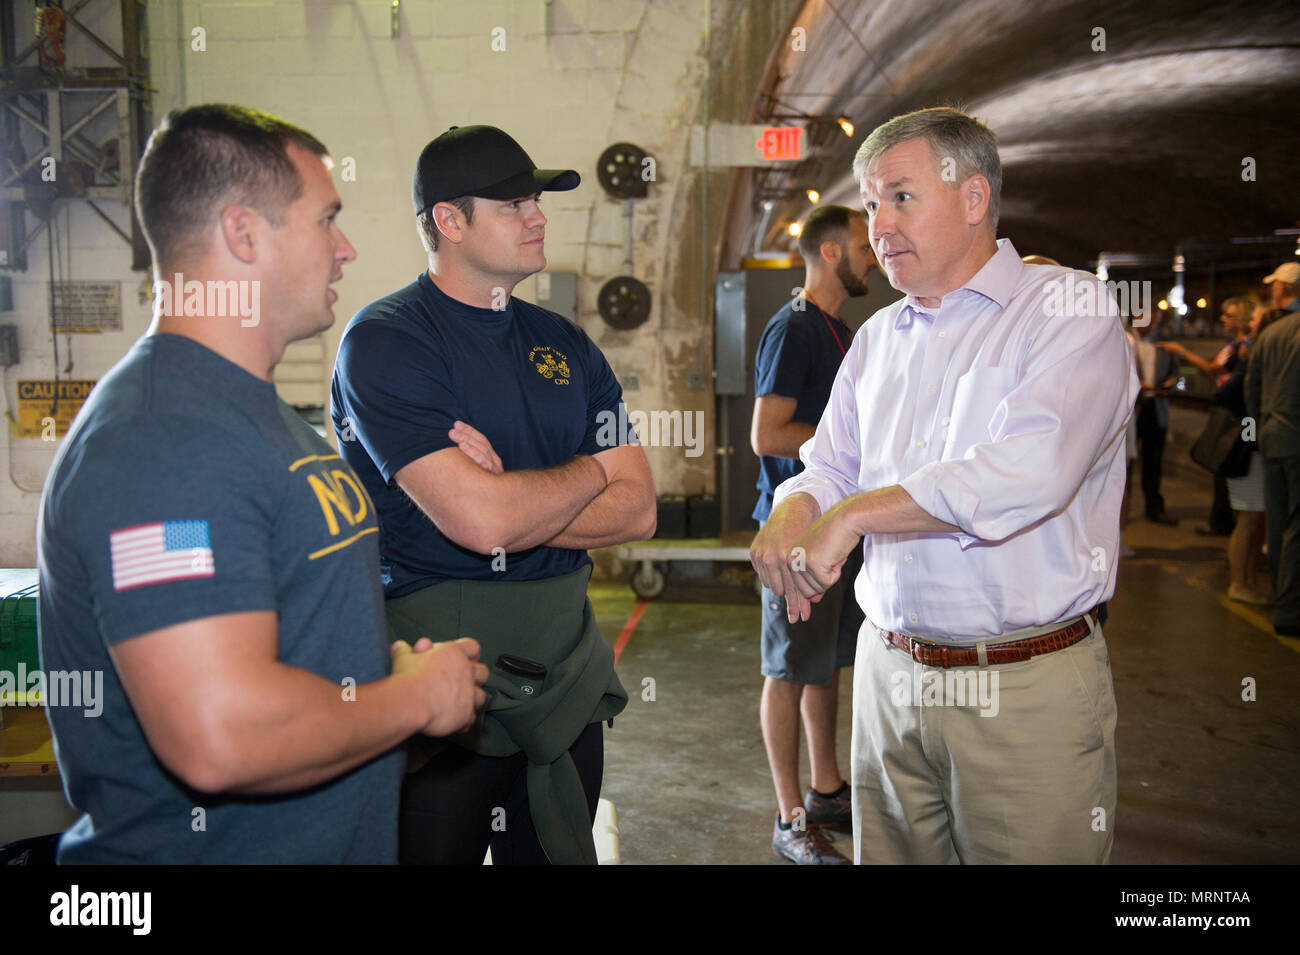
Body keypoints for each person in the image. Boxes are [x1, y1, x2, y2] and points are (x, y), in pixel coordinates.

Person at [36, 104, 488, 864]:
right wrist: (417, 696)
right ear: (244, 234)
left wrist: (383, 677)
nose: (345, 250)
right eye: (326, 220)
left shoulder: (258, 416)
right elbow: (220, 734)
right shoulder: (159, 440)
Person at [751, 106, 1138, 864]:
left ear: (973, 200)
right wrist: (794, 513)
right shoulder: (878, 340)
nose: (878, 224)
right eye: (869, 203)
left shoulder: (1065, 312)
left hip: (1019, 688)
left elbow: (1029, 472)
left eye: (900, 195)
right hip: (891, 680)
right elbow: (829, 465)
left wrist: (856, 515)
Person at [331, 124, 656, 865]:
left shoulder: (565, 343)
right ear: (449, 220)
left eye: (536, 199)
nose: (537, 215)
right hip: (442, 675)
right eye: (514, 203)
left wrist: (510, 491)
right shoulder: (387, 342)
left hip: (565, 673)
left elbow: (639, 507)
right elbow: (481, 522)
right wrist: (586, 472)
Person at [750, 204, 874, 864]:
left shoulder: (839, 329)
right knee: (789, 669)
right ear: (830, 253)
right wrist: (845, 455)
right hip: (793, 536)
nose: (874, 253)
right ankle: (789, 816)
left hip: (835, 531)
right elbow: (767, 434)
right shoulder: (794, 329)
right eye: (861, 242)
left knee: (824, 664)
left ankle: (826, 789)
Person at [1161, 296, 1258, 536]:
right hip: (1234, 414)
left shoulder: (1244, 347)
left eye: (1229, 316)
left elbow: (1212, 369)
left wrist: (1183, 351)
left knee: (1233, 461)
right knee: (1225, 463)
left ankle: (1230, 523)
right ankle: (1224, 520)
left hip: (1240, 416)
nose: (1223, 319)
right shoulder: (1234, 345)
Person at [1246, 300, 1300, 637]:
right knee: (1296, 525)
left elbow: (1251, 387)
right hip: (1296, 437)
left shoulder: (1272, 332)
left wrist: (1254, 436)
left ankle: (1281, 599)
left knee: (1278, 523)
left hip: (1271, 436)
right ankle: (1290, 609)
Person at [1131, 307, 1180, 525]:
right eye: (1149, 320)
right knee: (1124, 463)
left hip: (1155, 406)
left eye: (1156, 321)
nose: (1152, 326)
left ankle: (1154, 507)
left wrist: (1171, 382)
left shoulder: (1163, 343)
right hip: (1132, 409)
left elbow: (1177, 372)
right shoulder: (1123, 338)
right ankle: (1120, 511)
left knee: (1153, 460)